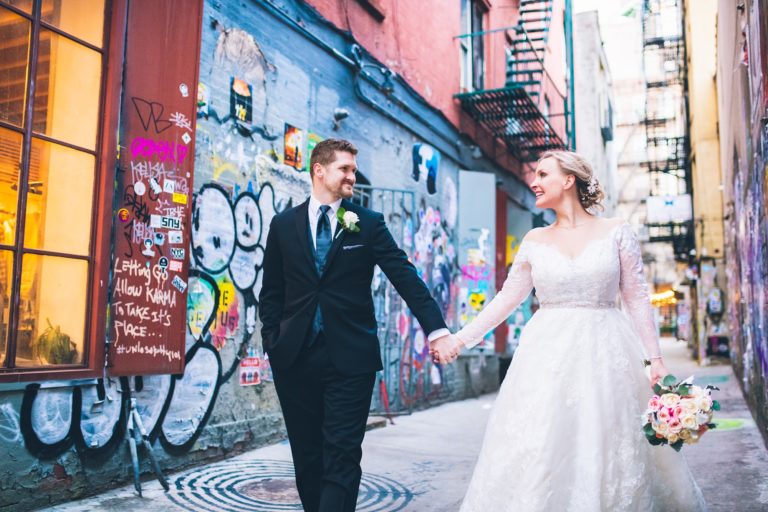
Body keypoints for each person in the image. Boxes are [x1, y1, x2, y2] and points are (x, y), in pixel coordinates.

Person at [432, 150, 707, 511]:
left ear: (568, 180)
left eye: (543, 174)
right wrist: (460, 338)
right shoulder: (534, 240)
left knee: (609, 436)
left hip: (608, 351)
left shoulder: (616, 232)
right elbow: (505, 300)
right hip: (547, 355)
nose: (534, 181)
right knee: (543, 439)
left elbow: (638, 299)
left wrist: (655, 360)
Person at [258, 138, 459, 512]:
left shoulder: (366, 224)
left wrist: (437, 329)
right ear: (319, 170)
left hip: (350, 360)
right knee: (307, 454)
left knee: (343, 454)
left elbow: (405, 276)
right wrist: (274, 340)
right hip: (295, 359)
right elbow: (271, 292)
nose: (352, 175)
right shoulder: (283, 225)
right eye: (345, 169)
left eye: (354, 168)